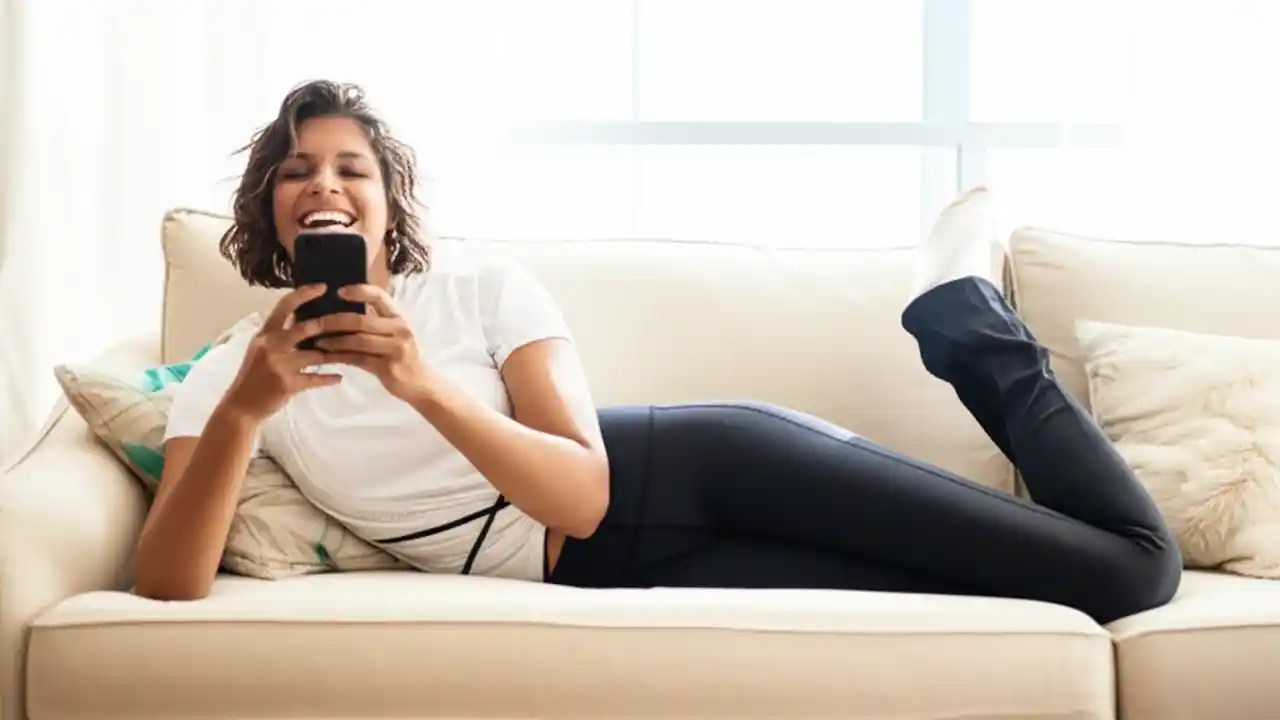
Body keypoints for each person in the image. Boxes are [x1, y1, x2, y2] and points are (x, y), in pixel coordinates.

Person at [134, 80, 1182, 625]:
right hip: (620, 573)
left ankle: (962, 320)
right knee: (1025, 596)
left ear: (385, 201)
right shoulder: (234, 371)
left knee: (1130, 572)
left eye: (351, 170)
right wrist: (240, 415)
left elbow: (581, 494)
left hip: (709, 468)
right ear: (268, 211)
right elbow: (169, 582)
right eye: (298, 172)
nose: (324, 186)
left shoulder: (478, 289)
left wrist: (416, 383)